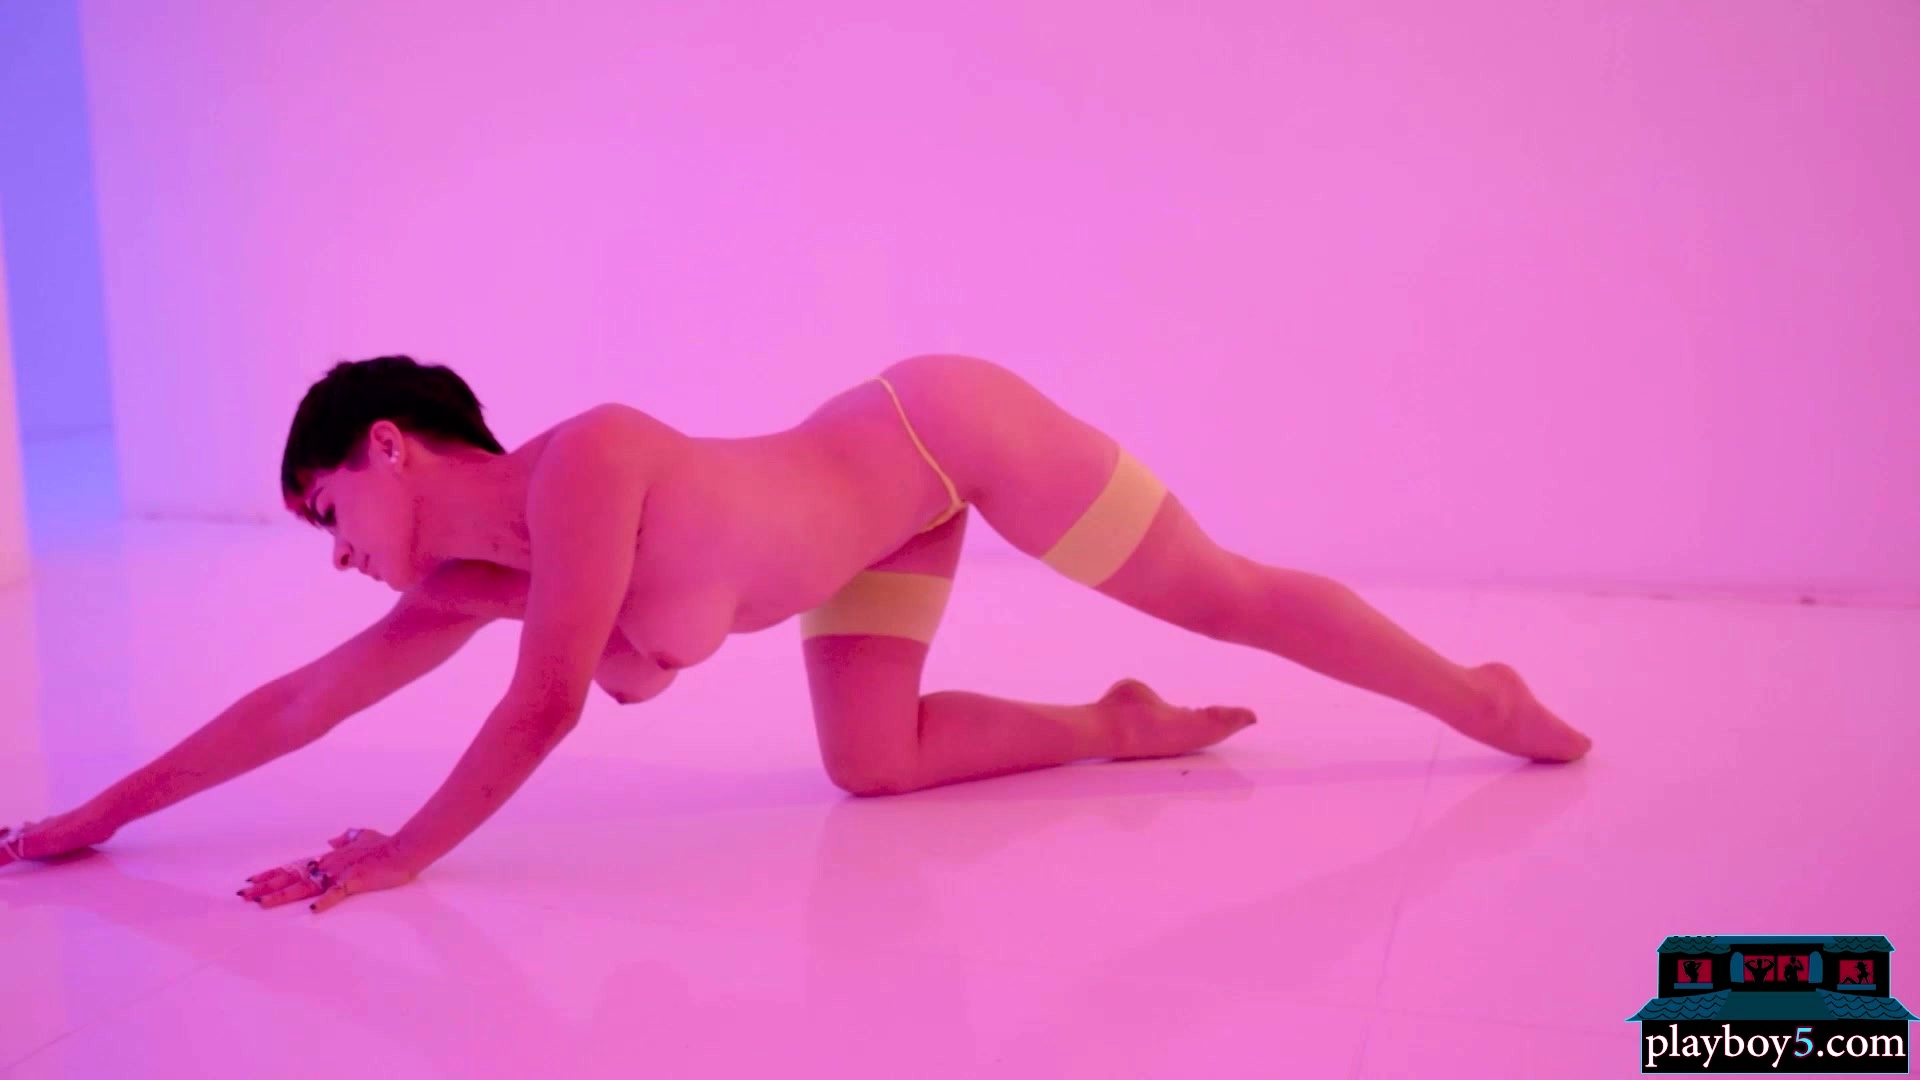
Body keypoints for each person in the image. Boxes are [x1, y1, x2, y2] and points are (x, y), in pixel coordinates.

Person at [0, 353, 1591, 911]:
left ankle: (1478, 691)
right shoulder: (470, 586)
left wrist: (405, 855)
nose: (338, 557)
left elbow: (547, 706)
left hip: (944, 434)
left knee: (1222, 592)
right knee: (873, 766)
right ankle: (1117, 721)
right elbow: (303, 703)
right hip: (875, 530)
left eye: (328, 511)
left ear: (389, 447)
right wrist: (94, 816)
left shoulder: (586, 464)